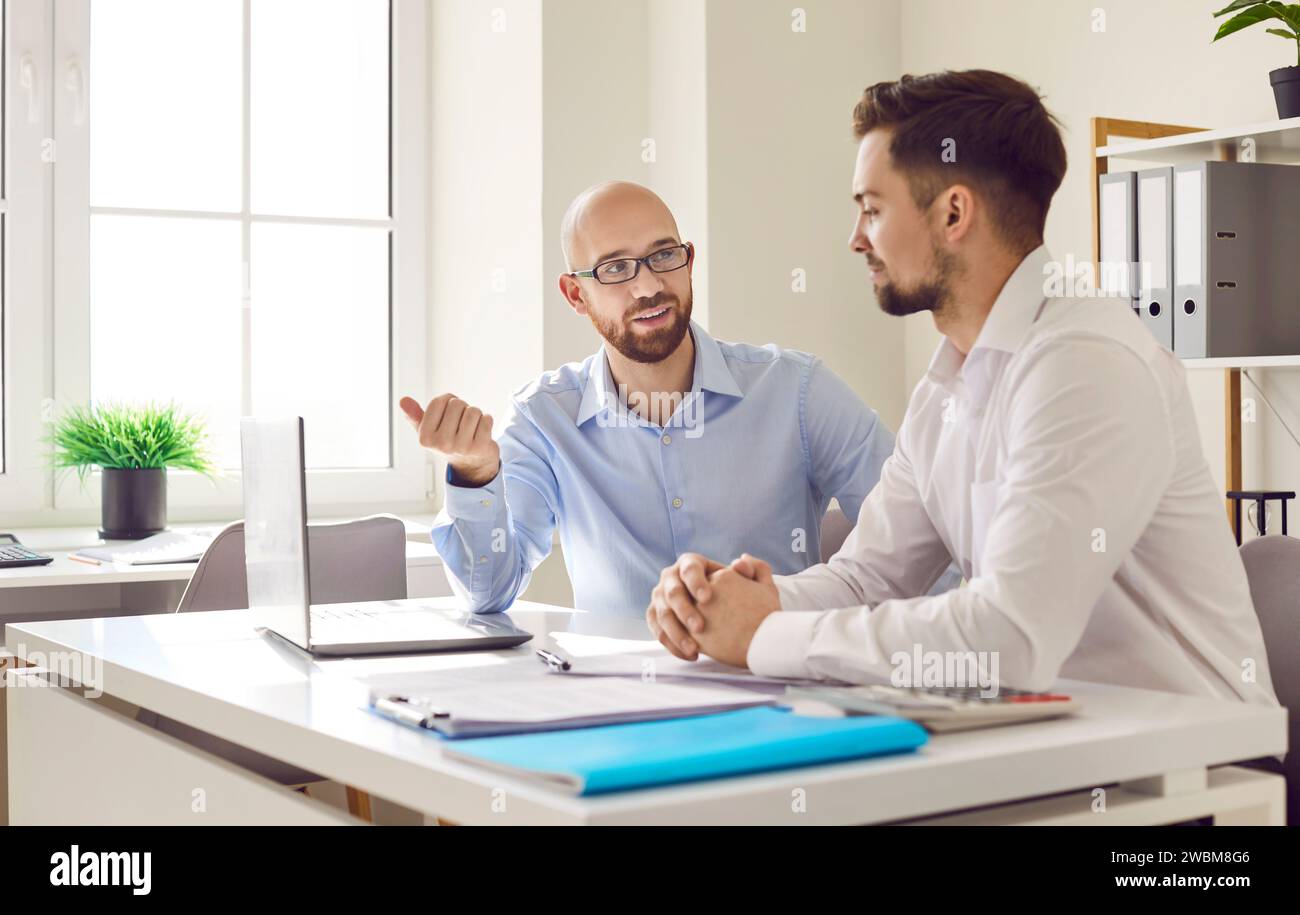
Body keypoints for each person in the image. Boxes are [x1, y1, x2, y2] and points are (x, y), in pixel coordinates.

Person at [646, 70, 1278, 707]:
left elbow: (1009, 638)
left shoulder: (1085, 364)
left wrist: (766, 636)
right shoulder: (949, 385)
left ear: (953, 212)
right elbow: (869, 578)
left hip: (1194, 769)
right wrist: (737, 605)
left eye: (872, 209)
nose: (856, 238)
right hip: (1053, 745)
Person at [400, 180, 899, 620]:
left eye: (663, 256)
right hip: (618, 709)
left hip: (778, 689)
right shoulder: (543, 418)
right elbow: (488, 596)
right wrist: (474, 473)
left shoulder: (797, 390)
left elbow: (915, 545)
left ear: (688, 261)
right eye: (615, 268)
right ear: (575, 296)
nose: (649, 286)